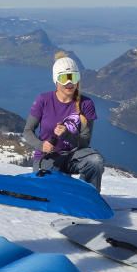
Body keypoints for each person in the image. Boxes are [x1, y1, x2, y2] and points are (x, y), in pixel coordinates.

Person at [22, 54, 105, 191]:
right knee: (50, 189)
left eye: (73, 77)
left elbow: (85, 142)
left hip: (74, 155)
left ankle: (87, 197)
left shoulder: (86, 104)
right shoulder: (44, 100)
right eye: (64, 78)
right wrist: (41, 145)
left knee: (95, 162)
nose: (69, 83)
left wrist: (67, 134)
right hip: (48, 157)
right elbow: (27, 131)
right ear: (56, 80)